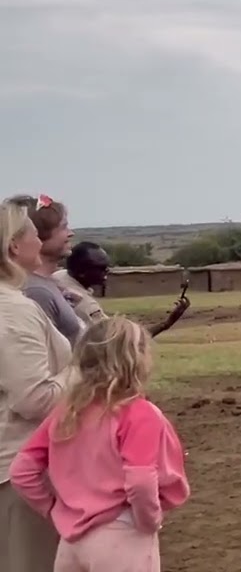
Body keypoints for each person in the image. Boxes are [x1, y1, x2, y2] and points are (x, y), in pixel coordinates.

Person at [8, 317, 190, 572]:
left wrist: (53, 510)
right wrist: (148, 521)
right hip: (121, 534)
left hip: (71, 542)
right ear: (138, 361)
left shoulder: (66, 413)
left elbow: (21, 471)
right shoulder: (139, 414)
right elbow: (140, 480)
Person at [0, 198, 72, 571]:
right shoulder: (13, 309)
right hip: (20, 472)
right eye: (31, 232)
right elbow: (35, 399)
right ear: (14, 245)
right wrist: (84, 368)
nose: (38, 240)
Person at [54, 242, 191, 337]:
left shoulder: (57, 278)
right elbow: (122, 341)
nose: (107, 270)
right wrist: (166, 324)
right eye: (100, 268)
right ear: (82, 272)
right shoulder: (86, 306)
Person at [10, 195, 83, 342]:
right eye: (63, 227)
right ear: (38, 234)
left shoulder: (46, 284)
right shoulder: (36, 292)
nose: (70, 233)